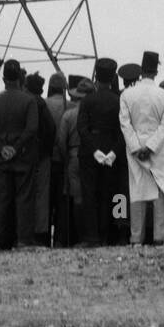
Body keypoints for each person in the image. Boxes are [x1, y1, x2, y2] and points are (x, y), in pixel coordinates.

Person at [119, 51, 164, 246]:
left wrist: (135, 146)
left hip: (135, 146)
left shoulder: (127, 94)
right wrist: (151, 146)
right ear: (156, 71)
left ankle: (135, 237)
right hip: (160, 148)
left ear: (141, 70)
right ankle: (159, 236)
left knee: (137, 191)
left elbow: (125, 124)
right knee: (161, 191)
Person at [0, 59, 39, 250]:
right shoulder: (29, 100)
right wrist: (16, 147)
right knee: (24, 198)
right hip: (23, 157)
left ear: (3, 78)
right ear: (20, 78)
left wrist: (2, 148)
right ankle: (23, 239)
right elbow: (32, 129)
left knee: (3, 200)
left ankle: (0, 241)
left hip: (2, 159)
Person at [76, 57, 125, 246]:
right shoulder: (119, 101)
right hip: (112, 150)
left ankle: (91, 236)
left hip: (89, 153)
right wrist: (113, 152)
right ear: (113, 76)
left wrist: (95, 150)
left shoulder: (87, 101)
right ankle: (106, 235)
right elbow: (123, 131)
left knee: (89, 195)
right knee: (109, 195)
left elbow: (82, 128)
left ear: (96, 76)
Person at [56, 79, 90, 246]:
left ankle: (80, 237)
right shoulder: (93, 114)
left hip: (73, 156)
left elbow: (61, 141)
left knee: (77, 198)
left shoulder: (68, 115)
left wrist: (67, 157)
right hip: (93, 157)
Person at [25, 73, 57, 247]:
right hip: (42, 155)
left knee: (24, 194)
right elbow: (51, 128)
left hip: (23, 155)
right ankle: (40, 234)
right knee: (41, 195)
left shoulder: (25, 101)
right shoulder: (40, 103)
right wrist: (46, 149)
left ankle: (23, 233)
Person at [45, 73, 68, 246]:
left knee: (45, 200)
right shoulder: (70, 106)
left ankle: (44, 237)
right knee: (62, 201)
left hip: (46, 159)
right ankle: (60, 239)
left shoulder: (43, 104)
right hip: (64, 159)